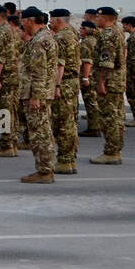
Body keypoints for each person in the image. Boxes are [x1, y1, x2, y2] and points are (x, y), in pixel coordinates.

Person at [17, 7, 57, 183]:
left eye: (23, 21)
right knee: (42, 131)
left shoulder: (39, 41)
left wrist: (36, 96)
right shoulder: (45, 37)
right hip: (41, 92)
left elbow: (39, 72)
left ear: (30, 21)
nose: (22, 24)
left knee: (39, 133)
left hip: (37, 94)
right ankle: (45, 168)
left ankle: (45, 170)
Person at [91, 6, 126, 165]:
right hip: (117, 80)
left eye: (98, 17)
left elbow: (107, 61)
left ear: (105, 18)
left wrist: (101, 82)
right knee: (117, 117)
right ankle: (116, 149)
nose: (96, 20)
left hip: (110, 81)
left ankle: (111, 152)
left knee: (109, 118)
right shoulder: (118, 31)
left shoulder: (108, 34)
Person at [0, 4, 22, 157]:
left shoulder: (1, 32)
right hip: (13, 75)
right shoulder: (12, 30)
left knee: (3, 112)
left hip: (5, 77)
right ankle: (12, 143)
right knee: (11, 111)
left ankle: (6, 145)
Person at [49, 9, 81, 174]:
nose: (50, 22)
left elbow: (59, 65)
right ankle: (71, 159)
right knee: (70, 122)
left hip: (64, 83)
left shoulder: (61, 37)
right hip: (72, 82)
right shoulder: (73, 33)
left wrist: (56, 86)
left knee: (63, 124)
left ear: (57, 20)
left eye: (51, 19)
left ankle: (65, 160)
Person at [78, 13, 102, 137]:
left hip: (89, 76)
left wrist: (85, 77)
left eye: (81, 28)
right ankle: (95, 126)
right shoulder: (94, 40)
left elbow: (87, 62)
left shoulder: (86, 43)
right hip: (95, 75)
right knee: (93, 101)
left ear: (86, 30)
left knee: (90, 102)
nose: (80, 30)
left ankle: (94, 127)